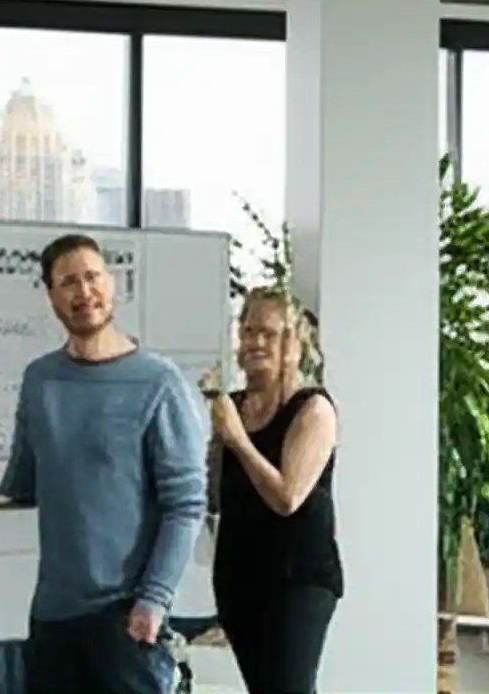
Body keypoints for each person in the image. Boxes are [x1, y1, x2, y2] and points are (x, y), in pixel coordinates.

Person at [0, 233, 208, 694]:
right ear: (50, 295)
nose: (83, 292)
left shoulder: (159, 382)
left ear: (112, 284)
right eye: (67, 282)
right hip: (50, 617)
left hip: (126, 618)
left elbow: (186, 506)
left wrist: (154, 599)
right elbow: (23, 484)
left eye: (92, 277)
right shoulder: (39, 380)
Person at [210, 289, 341, 694]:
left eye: (268, 333)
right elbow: (215, 496)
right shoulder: (232, 406)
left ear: (294, 343)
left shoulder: (312, 409)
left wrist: (238, 439)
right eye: (248, 332)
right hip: (239, 576)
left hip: (297, 579)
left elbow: (288, 498)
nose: (254, 343)